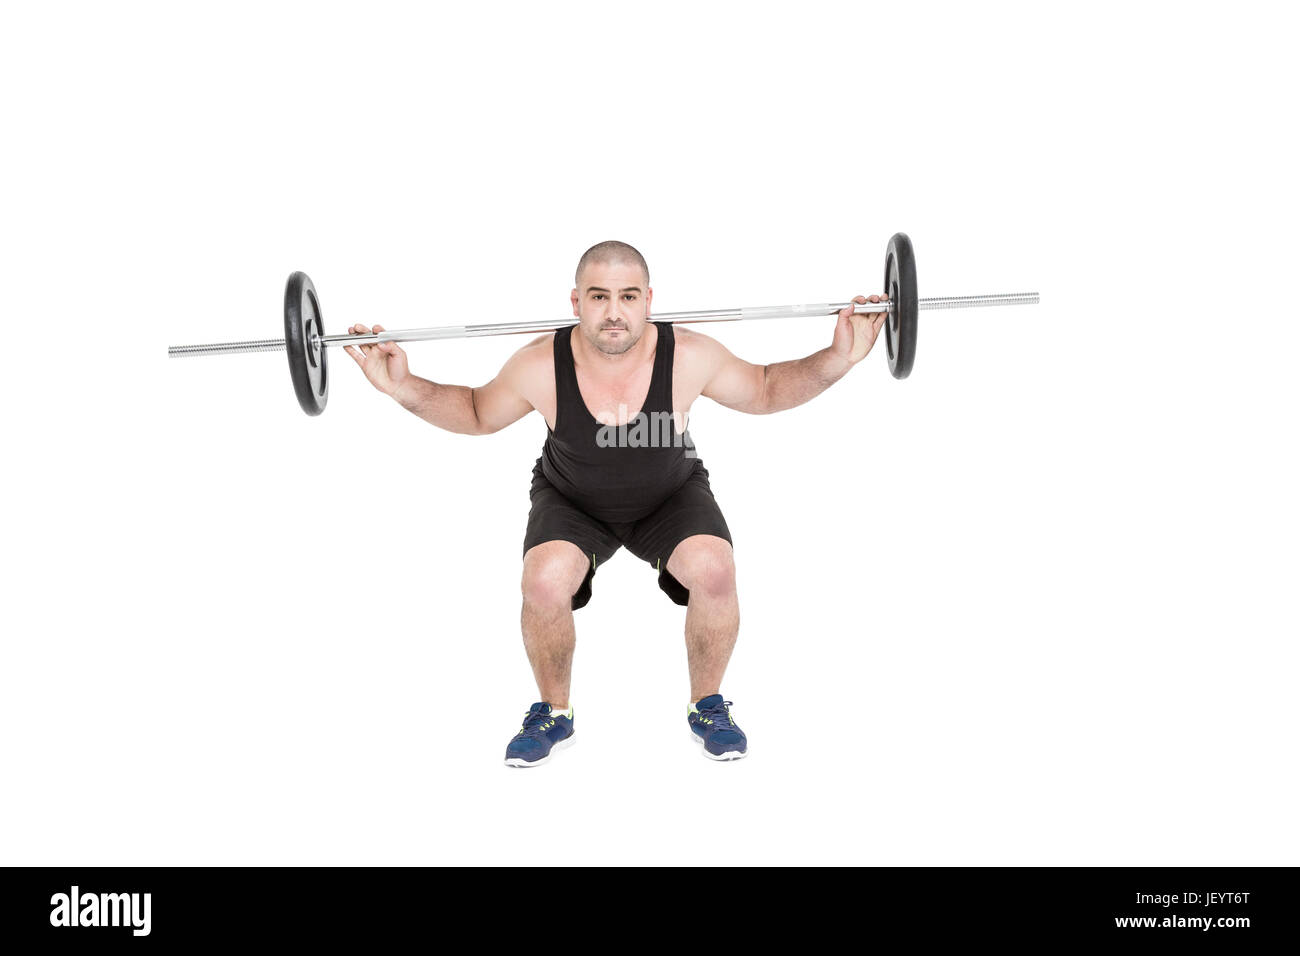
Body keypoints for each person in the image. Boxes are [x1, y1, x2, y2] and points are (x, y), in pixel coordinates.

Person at [345, 241, 887, 766]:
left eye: (628, 296)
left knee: (715, 569)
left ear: (649, 300)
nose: (613, 312)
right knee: (543, 579)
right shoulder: (539, 362)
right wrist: (402, 386)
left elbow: (766, 389)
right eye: (599, 296)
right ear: (575, 302)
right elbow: (476, 412)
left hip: (668, 496)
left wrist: (841, 356)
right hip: (571, 499)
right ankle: (554, 712)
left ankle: (708, 706)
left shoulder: (690, 356)